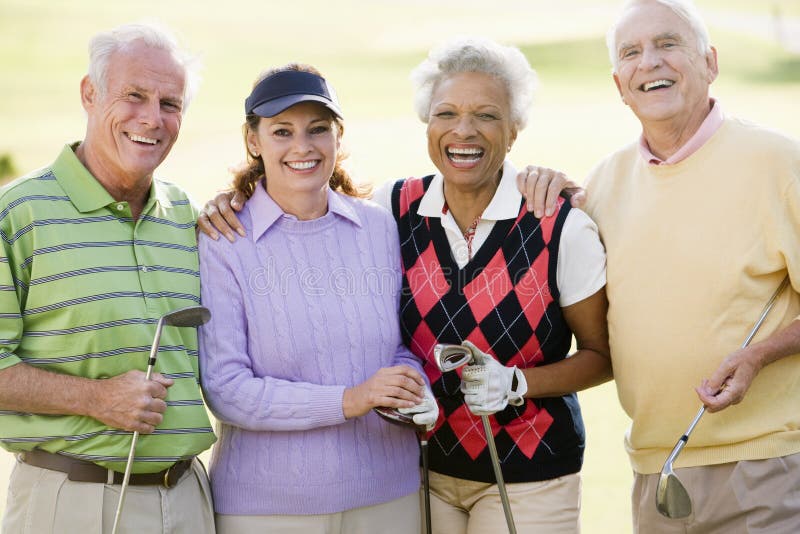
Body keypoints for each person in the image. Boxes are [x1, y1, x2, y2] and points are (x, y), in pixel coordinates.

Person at [199, 38, 612, 534]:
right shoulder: (398, 209)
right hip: (428, 471)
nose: (464, 130)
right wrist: (365, 394)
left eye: (486, 115)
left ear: (513, 130)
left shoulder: (547, 223)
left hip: (518, 471)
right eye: (447, 113)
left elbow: (601, 354)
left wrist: (515, 383)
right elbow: (230, 384)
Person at [518, 0, 800, 531]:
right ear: (619, 85)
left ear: (710, 62)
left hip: (765, 468)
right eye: (631, 52)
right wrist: (549, 191)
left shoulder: (779, 163)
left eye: (668, 44)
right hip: (654, 474)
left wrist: (760, 355)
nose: (649, 62)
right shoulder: (603, 184)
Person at [197, 64, 437, 534]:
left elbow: (396, 347)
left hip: (391, 495)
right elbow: (226, 388)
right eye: (282, 131)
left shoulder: (377, 227)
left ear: (338, 135)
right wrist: (351, 400)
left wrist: (412, 385)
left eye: (318, 129)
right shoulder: (224, 240)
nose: (302, 146)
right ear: (253, 140)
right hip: (268, 510)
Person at [0, 23, 216, 533]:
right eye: (134, 95)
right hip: (71, 503)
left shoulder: (187, 216)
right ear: (89, 93)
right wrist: (96, 399)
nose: (152, 118)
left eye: (170, 103)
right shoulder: (18, 214)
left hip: (188, 501)